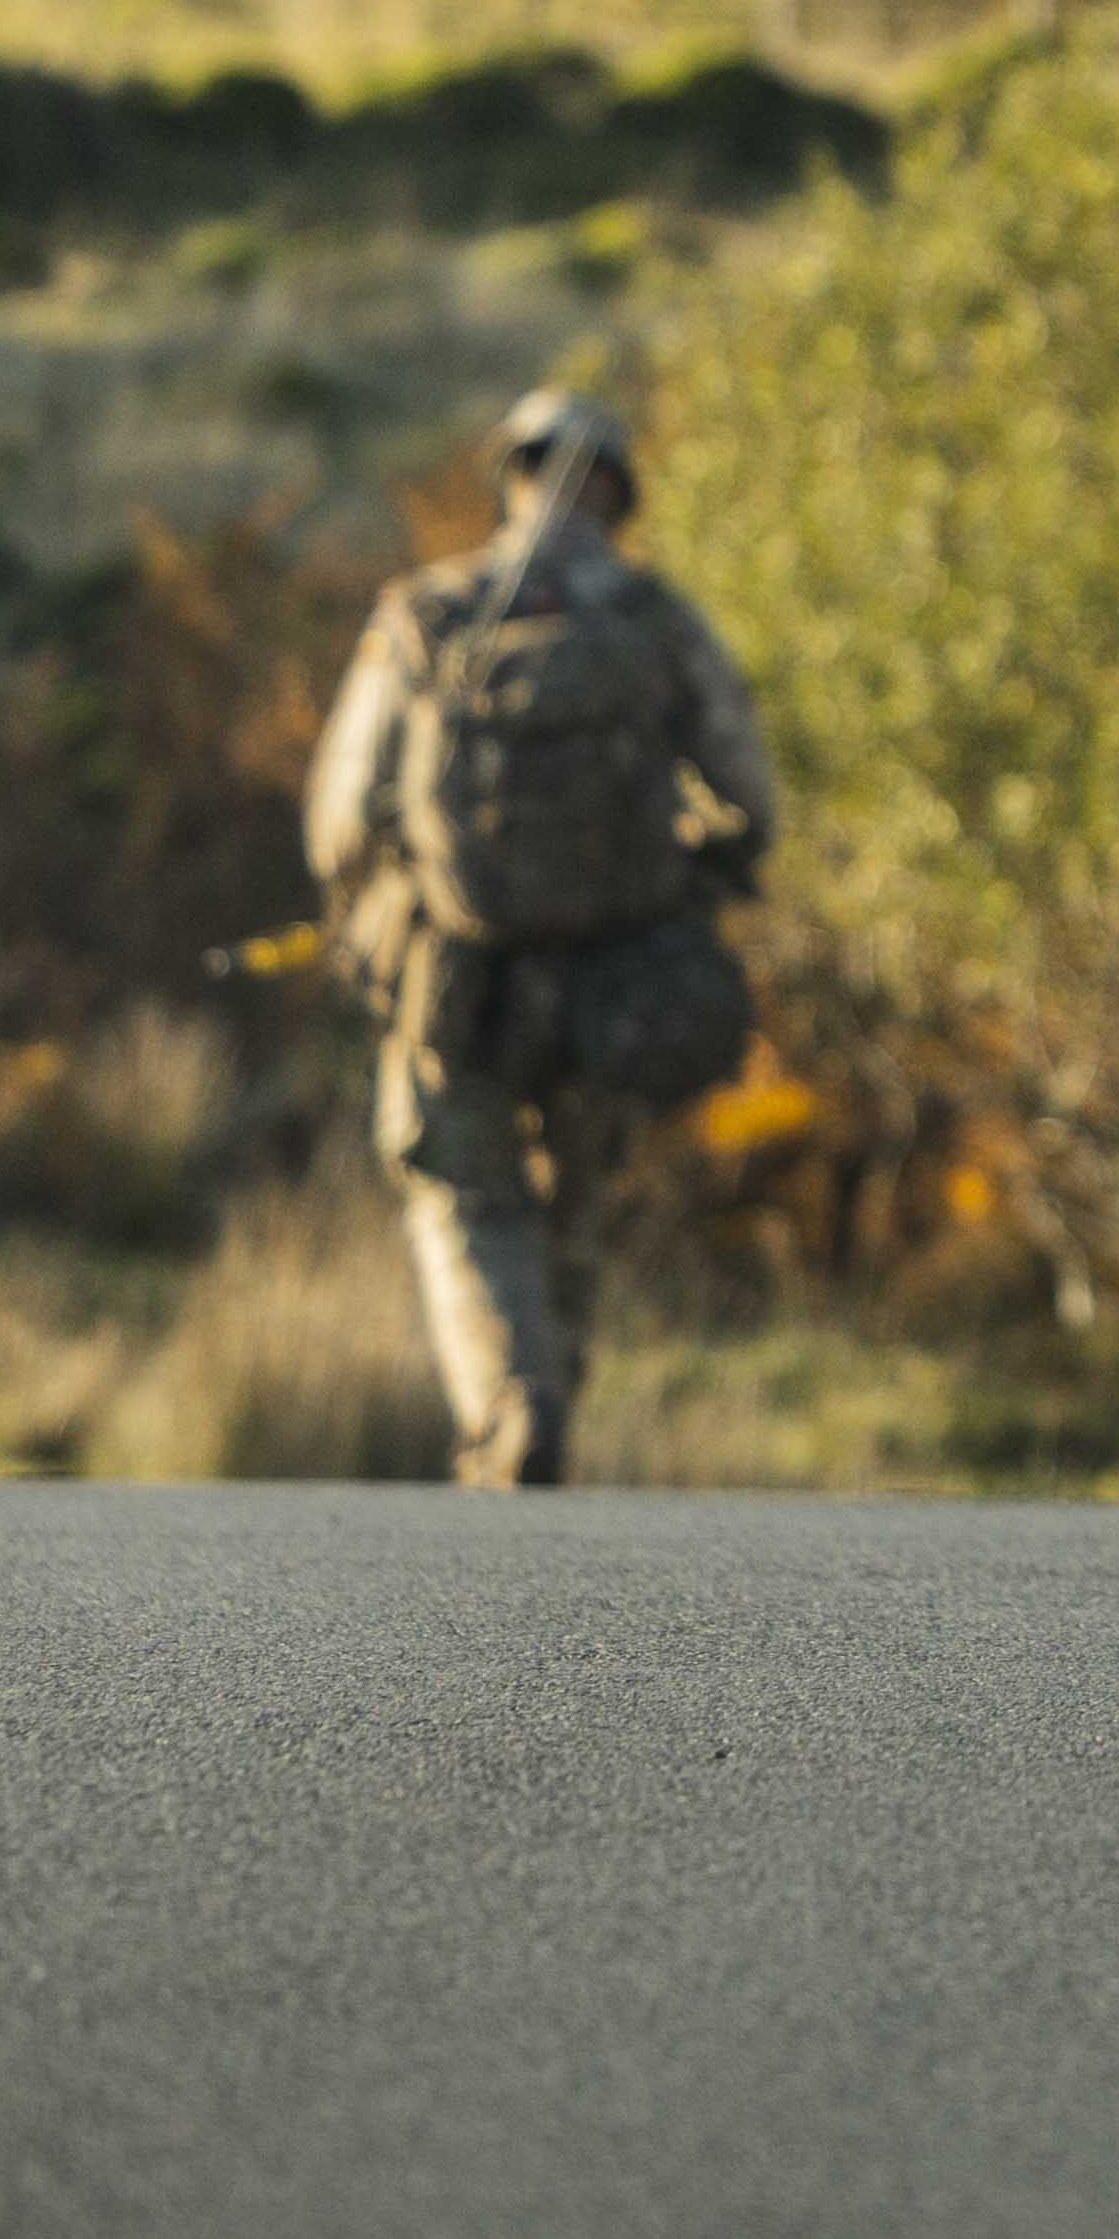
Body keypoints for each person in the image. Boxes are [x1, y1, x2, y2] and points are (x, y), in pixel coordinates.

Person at [301, 385, 782, 1492]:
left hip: (451, 969)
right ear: (621, 490)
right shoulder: (657, 620)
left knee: (464, 1187)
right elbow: (751, 793)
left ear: (509, 474)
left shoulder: (428, 610)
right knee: (578, 1191)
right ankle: (548, 1396)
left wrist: (372, 898)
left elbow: (341, 809)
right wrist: (705, 864)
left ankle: (514, 1409)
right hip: (620, 970)